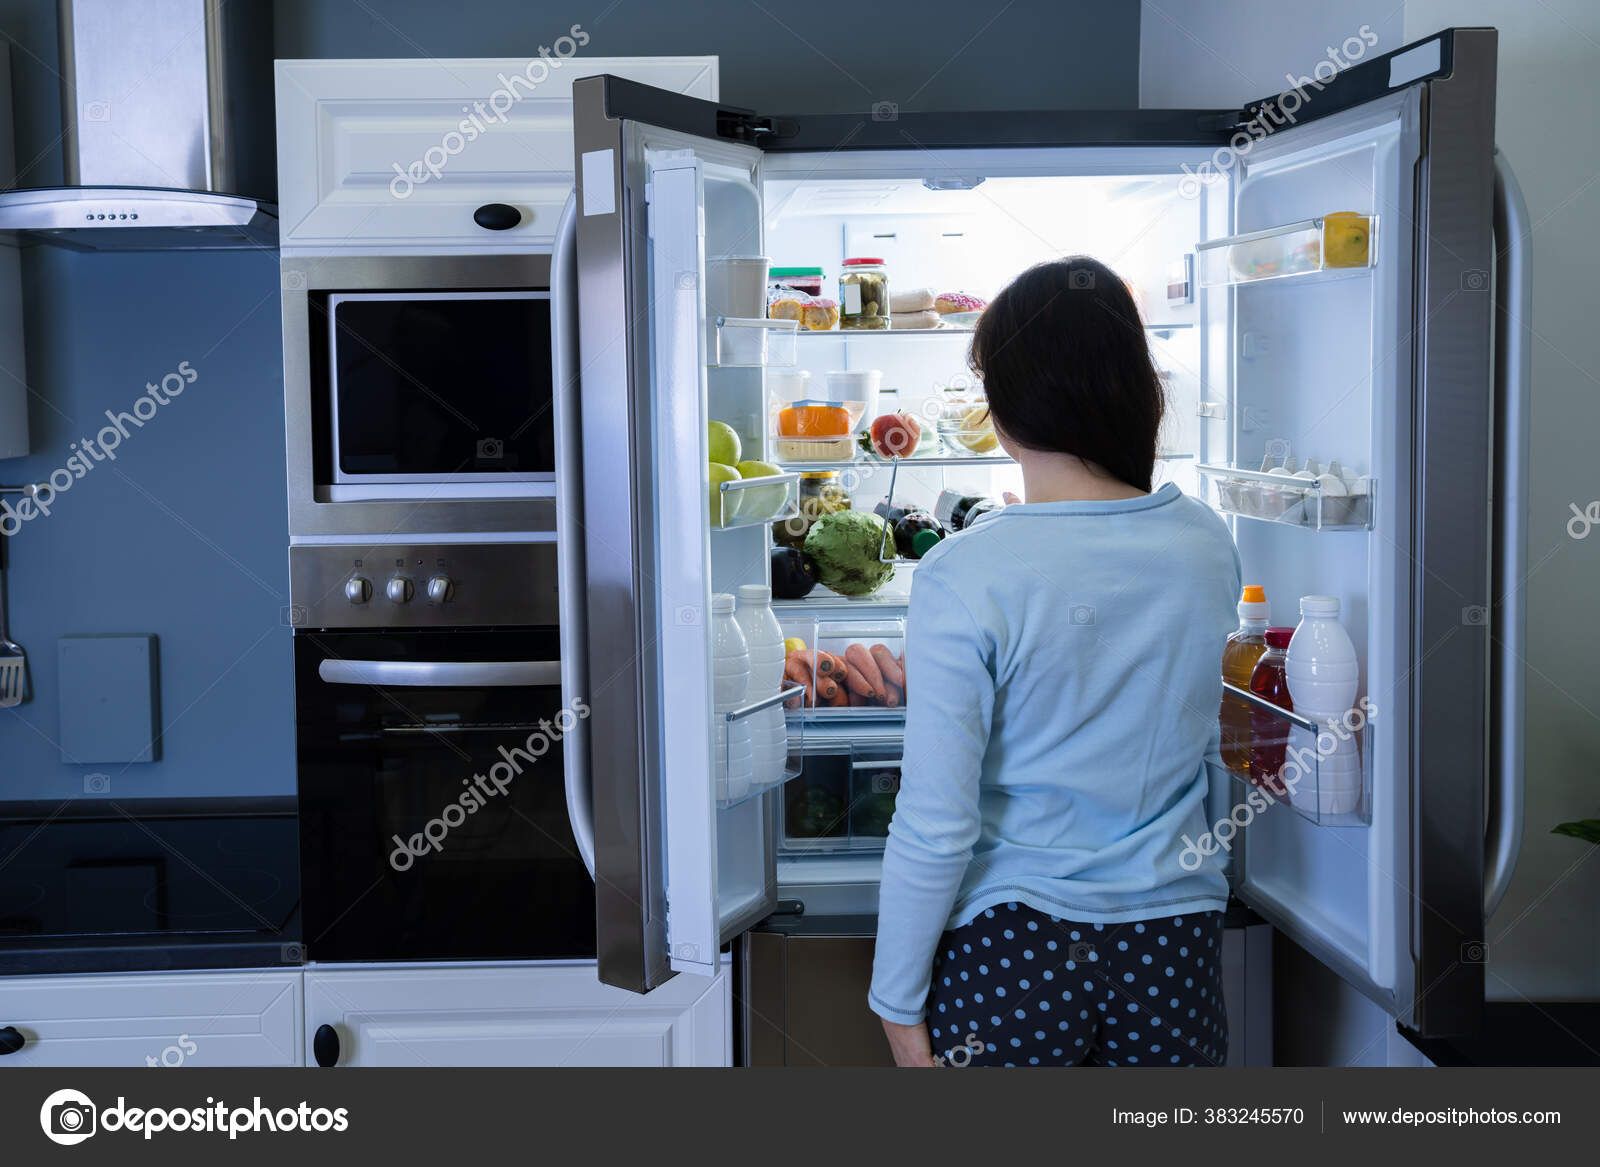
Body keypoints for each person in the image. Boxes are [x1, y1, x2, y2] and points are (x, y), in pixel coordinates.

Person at [869, 257, 1240, 1068]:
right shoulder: (1207, 543)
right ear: (1137, 391)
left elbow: (936, 821)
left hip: (1016, 946)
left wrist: (896, 1001)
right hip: (1172, 941)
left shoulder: (963, 572)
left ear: (1005, 411)